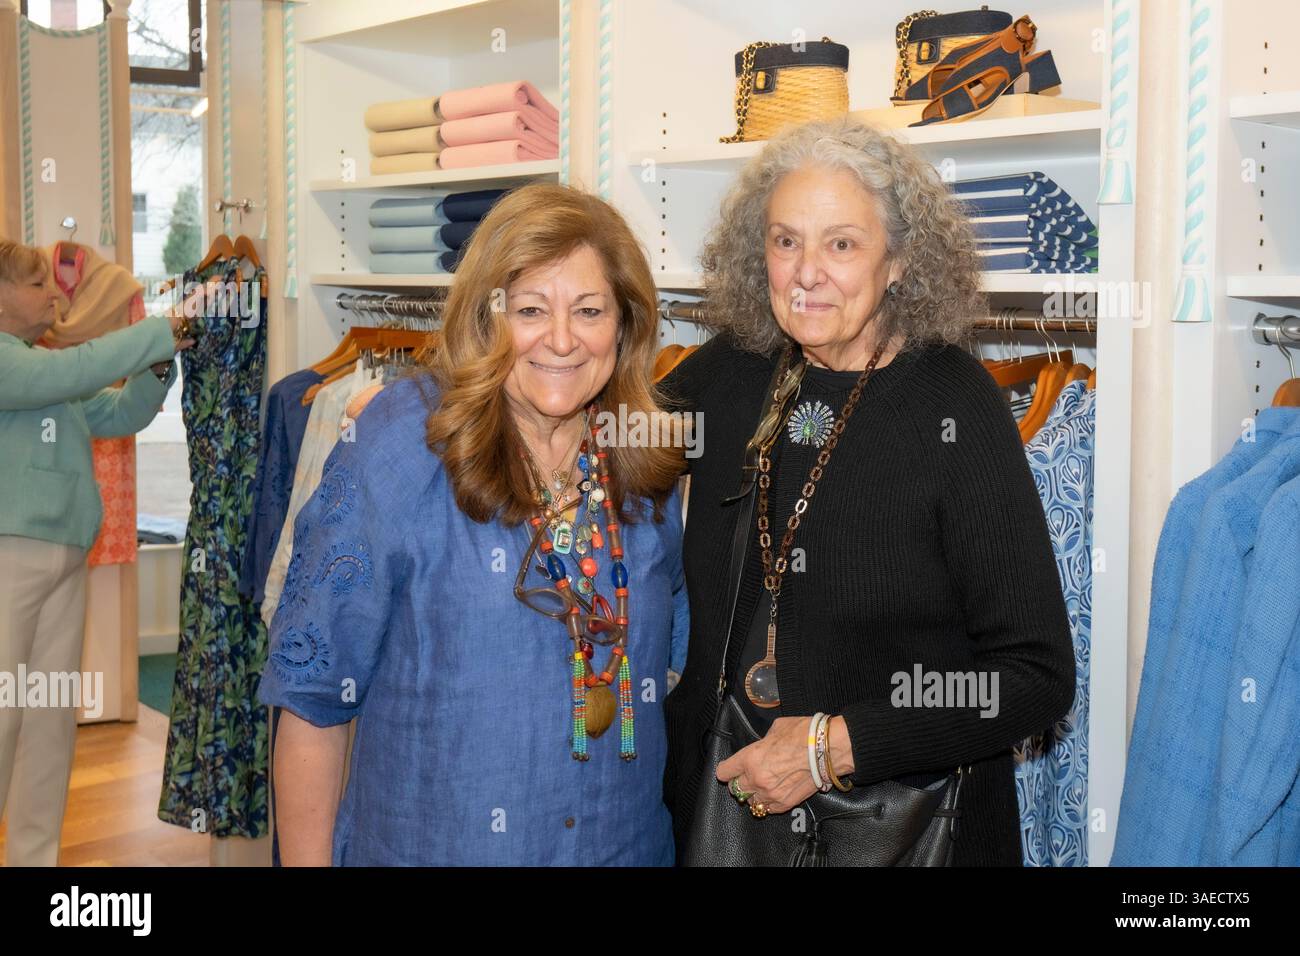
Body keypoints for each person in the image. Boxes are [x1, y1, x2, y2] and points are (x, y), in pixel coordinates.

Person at [660, 117, 1075, 865]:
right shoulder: (735, 368)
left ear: (900, 263)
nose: (806, 271)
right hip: (726, 824)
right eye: (786, 241)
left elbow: (1033, 677)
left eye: (841, 244)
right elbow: (599, 433)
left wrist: (835, 745)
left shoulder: (955, 406)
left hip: (905, 831)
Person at [258, 184, 690, 865]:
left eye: (588, 310)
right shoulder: (401, 445)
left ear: (626, 326)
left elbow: (665, 661)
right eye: (529, 309)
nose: (561, 339)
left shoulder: (644, 461)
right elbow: (313, 700)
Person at [0, 237, 194, 866]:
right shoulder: (19, 366)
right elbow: (73, 373)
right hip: (11, 564)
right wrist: (161, 331)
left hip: (60, 564)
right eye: (36, 286)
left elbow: (119, 412)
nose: (53, 295)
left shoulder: (36, 365)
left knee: (47, 725)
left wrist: (159, 365)